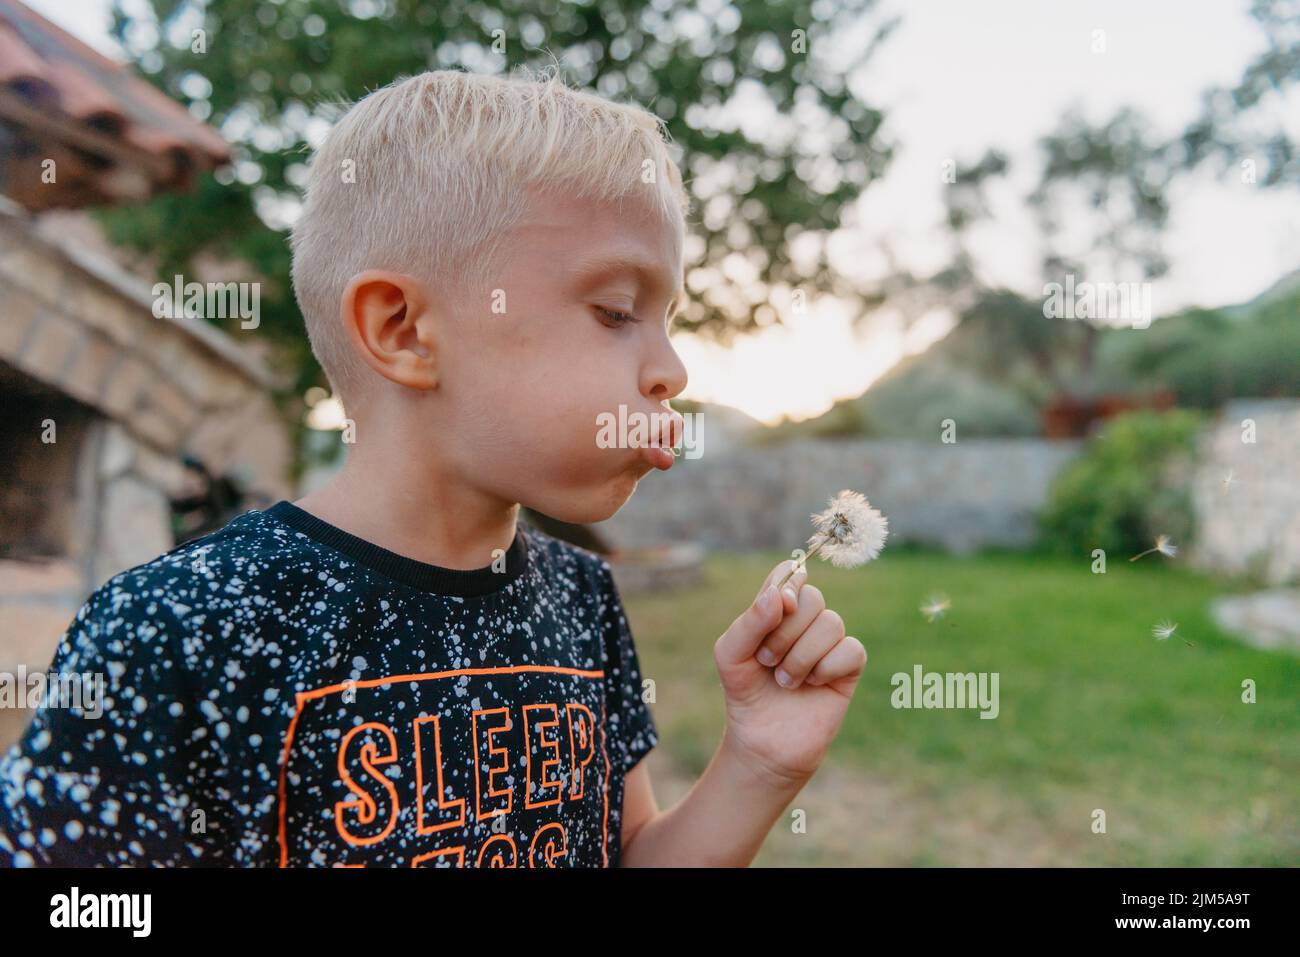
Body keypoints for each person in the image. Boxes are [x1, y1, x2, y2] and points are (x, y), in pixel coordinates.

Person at [0, 68, 866, 867]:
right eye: (615, 310)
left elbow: (629, 852)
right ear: (405, 331)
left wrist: (757, 763)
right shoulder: (180, 626)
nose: (671, 370)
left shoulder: (582, 597)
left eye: (667, 318)